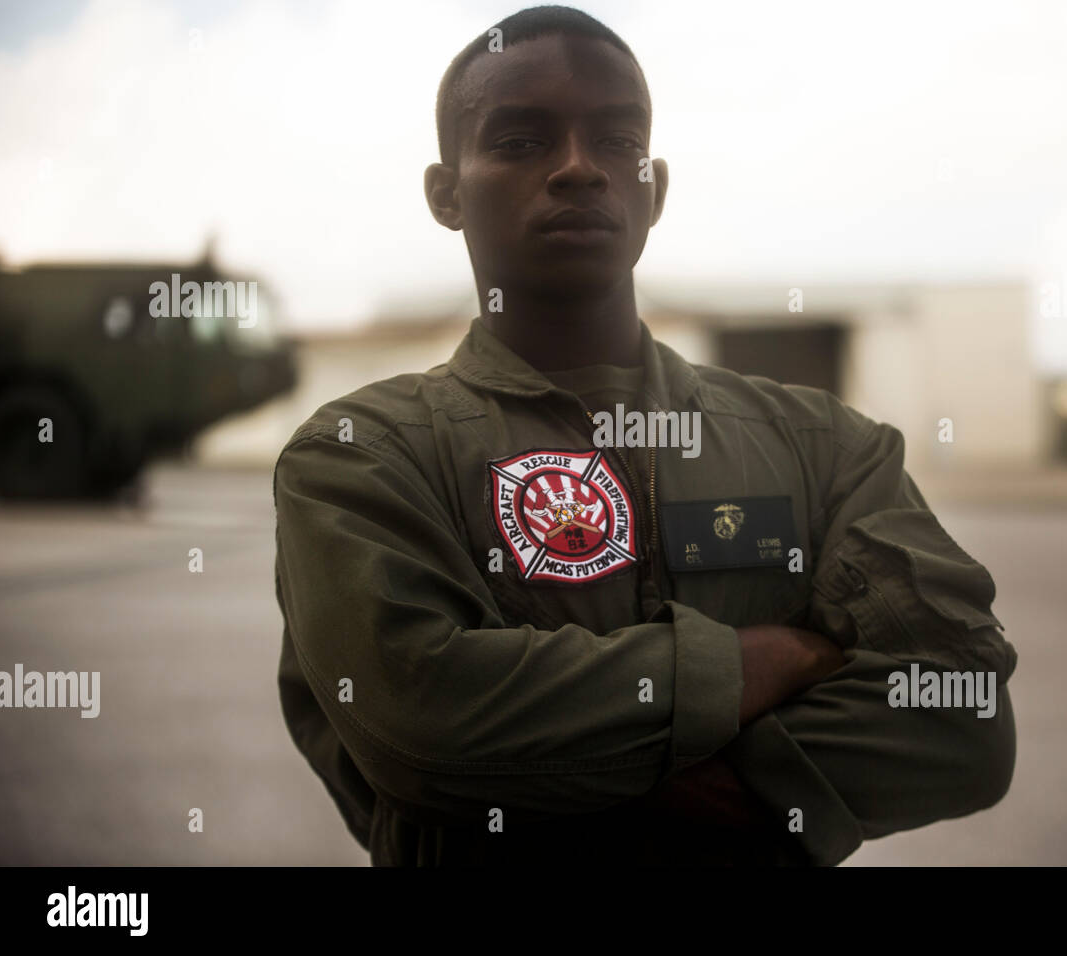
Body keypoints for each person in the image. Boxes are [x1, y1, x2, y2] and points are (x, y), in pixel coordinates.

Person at [273, 4, 1018, 867]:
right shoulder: (361, 453)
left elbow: (964, 723)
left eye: (618, 142)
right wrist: (748, 668)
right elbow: (418, 726)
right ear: (446, 193)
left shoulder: (828, 446)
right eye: (521, 141)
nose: (580, 169)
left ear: (653, 188)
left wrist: (574, 786)